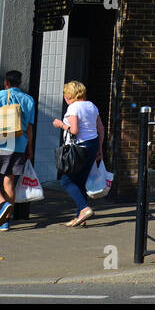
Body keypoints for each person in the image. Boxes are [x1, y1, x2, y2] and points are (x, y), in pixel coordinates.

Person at [0, 70, 36, 231]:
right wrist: (29, 148)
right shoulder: (29, 100)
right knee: (9, 183)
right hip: (19, 145)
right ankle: (4, 222)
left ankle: (3, 205)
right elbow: (30, 128)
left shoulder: (1, 95)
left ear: (6, 82)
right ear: (19, 83)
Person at [52, 81, 104, 227]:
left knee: (66, 181)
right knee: (80, 181)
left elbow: (74, 130)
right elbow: (100, 128)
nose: (64, 96)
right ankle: (80, 217)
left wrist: (60, 125)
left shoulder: (73, 107)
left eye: (65, 93)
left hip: (78, 148)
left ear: (70, 95)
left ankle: (85, 208)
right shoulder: (91, 106)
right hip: (92, 146)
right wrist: (100, 149)